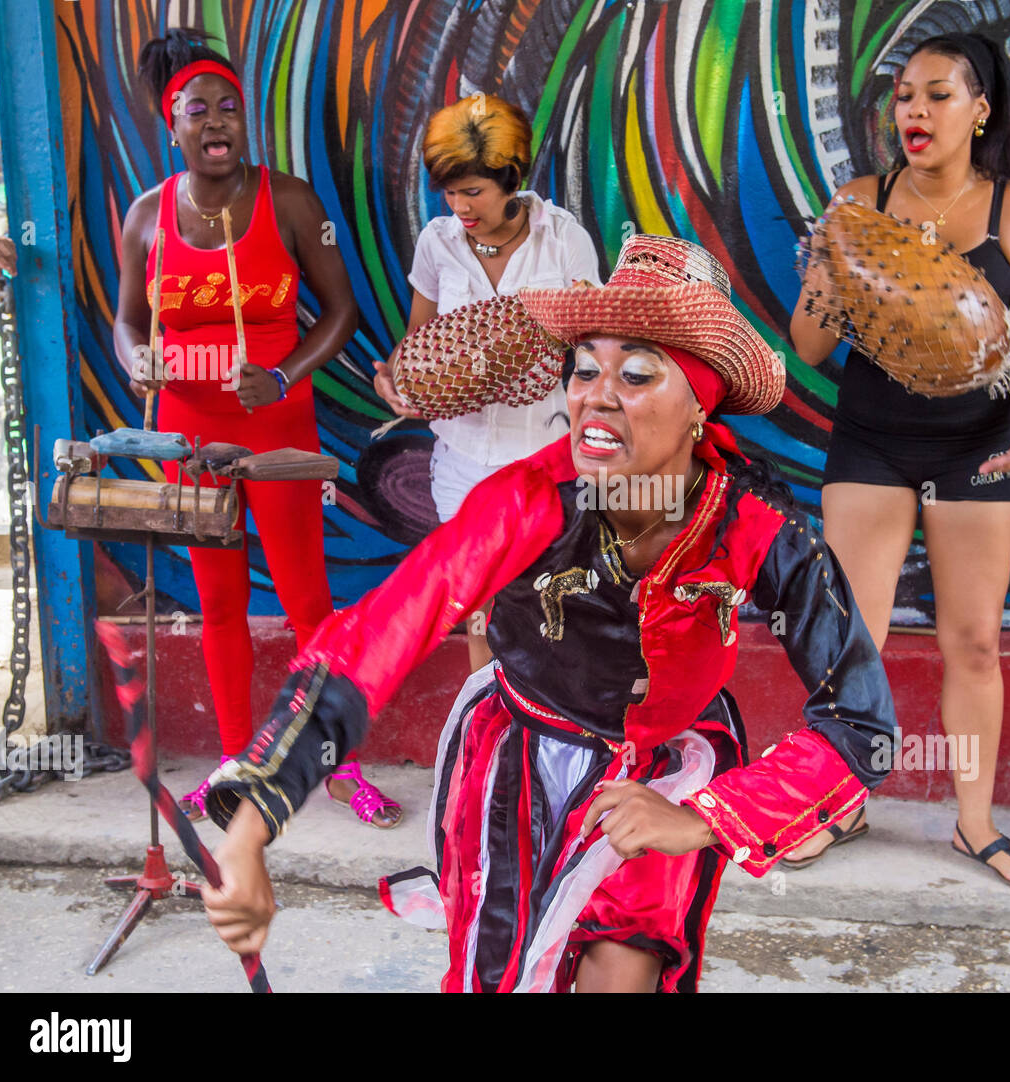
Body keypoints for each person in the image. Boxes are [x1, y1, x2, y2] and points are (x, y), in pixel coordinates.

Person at [200, 235, 898, 993]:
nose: (595, 393)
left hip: (666, 779)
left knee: (627, 971)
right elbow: (380, 637)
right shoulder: (527, 501)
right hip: (518, 776)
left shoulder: (760, 529)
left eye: (635, 373)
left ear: (700, 403)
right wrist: (249, 831)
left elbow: (863, 724)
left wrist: (704, 816)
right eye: (585, 367)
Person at [788, 32, 1010, 892]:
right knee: (855, 639)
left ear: (979, 108)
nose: (913, 110)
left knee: (975, 642)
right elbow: (806, 345)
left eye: (937, 95)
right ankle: (840, 802)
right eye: (905, 95)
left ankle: (974, 824)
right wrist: (838, 259)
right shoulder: (859, 197)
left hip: (978, 447)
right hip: (871, 439)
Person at [112, 30, 400, 828]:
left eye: (229, 108)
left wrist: (279, 375)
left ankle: (339, 765)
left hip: (277, 419)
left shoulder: (292, 202)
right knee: (220, 602)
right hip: (187, 436)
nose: (216, 121)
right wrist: (140, 361)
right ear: (172, 127)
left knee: (310, 600)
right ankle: (237, 760)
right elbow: (127, 325)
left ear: (247, 123)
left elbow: (341, 313)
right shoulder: (147, 218)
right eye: (196, 109)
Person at [372, 94, 601, 673]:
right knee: (482, 615)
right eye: (449, 192)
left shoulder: (563, 241)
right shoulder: (438, 243)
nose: (459, 206)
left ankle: (551, 748)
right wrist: (397, 379)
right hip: (463, 464)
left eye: (473, 191)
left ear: (510, 178)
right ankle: (485, 747)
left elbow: (596, 351)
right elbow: (417, 341)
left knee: (549, 615)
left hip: (545, 462)